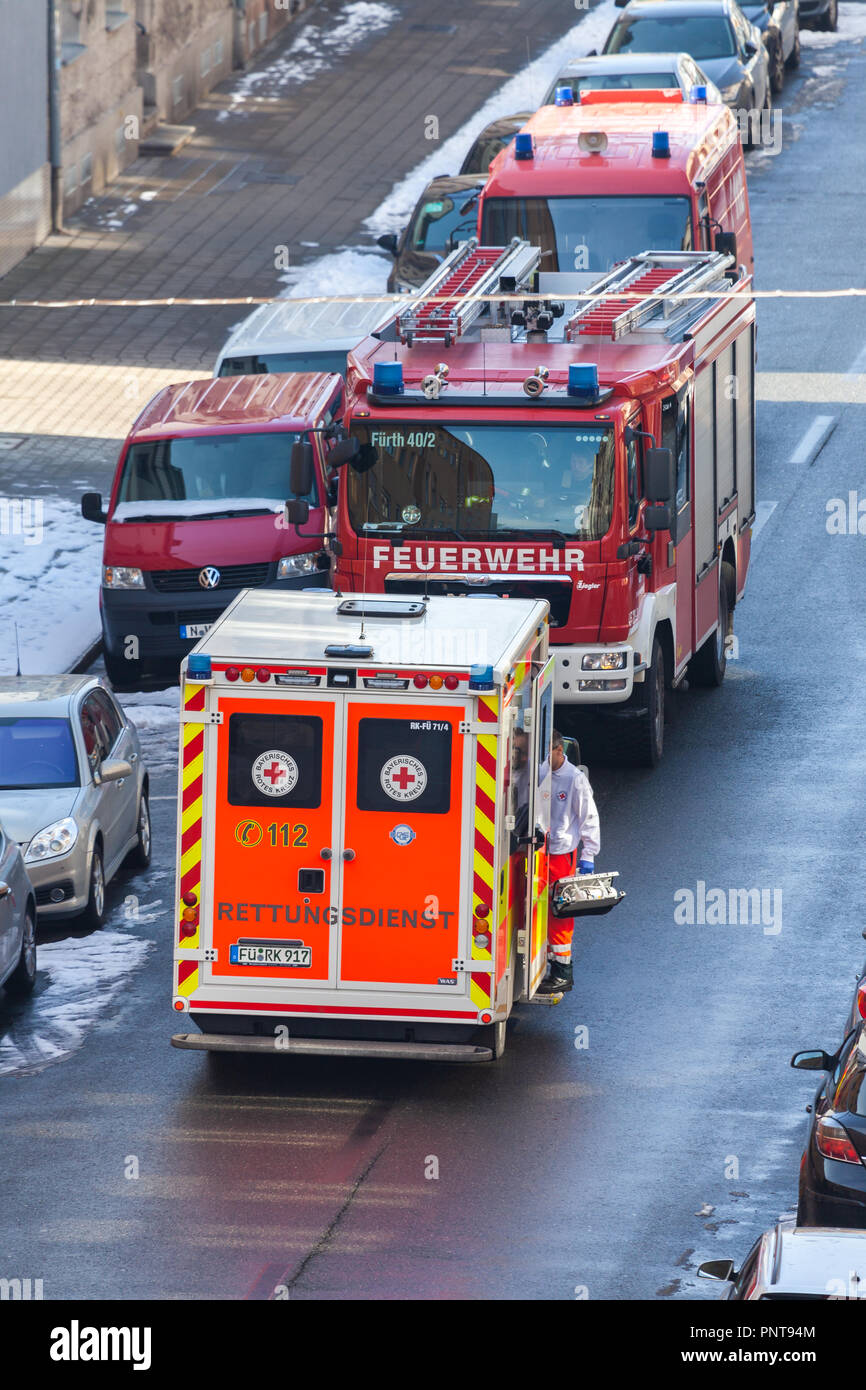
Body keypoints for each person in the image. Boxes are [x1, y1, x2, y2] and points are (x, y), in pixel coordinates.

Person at [536, 730, 600, 995]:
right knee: (538, 909)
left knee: (561, 913)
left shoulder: (575, 779)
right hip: (539, 850)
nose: (545, 758)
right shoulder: (540, 771)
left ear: (560, 751)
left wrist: (588, 856)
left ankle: (563, 973)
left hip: (563, 854)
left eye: (549, 752)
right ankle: (544, 965)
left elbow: (589, 817)